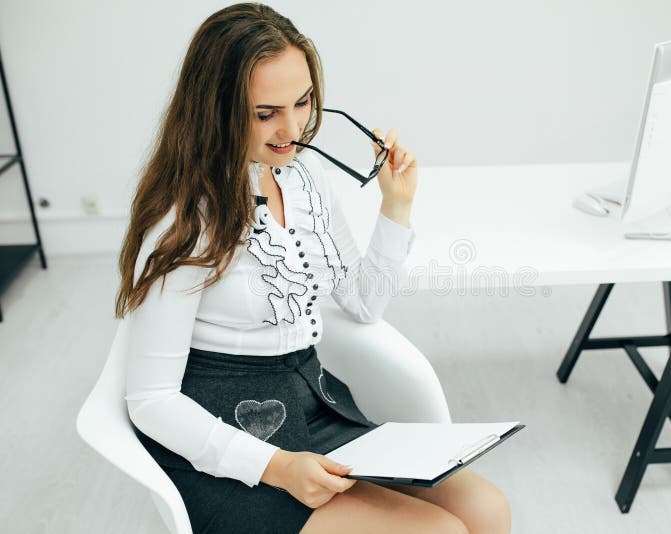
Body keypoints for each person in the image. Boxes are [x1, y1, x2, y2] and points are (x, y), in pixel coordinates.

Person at [115, 3, 511, 533]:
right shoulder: (183, 221)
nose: (293, 128)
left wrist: (395, 206)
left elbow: (362, 302)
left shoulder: (303, 177)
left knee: (488, 511)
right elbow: (151, 401)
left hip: (314, 401)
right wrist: (277, 467)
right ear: (216, 110)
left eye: (302, 102)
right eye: (265, 113)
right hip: (220, 436)